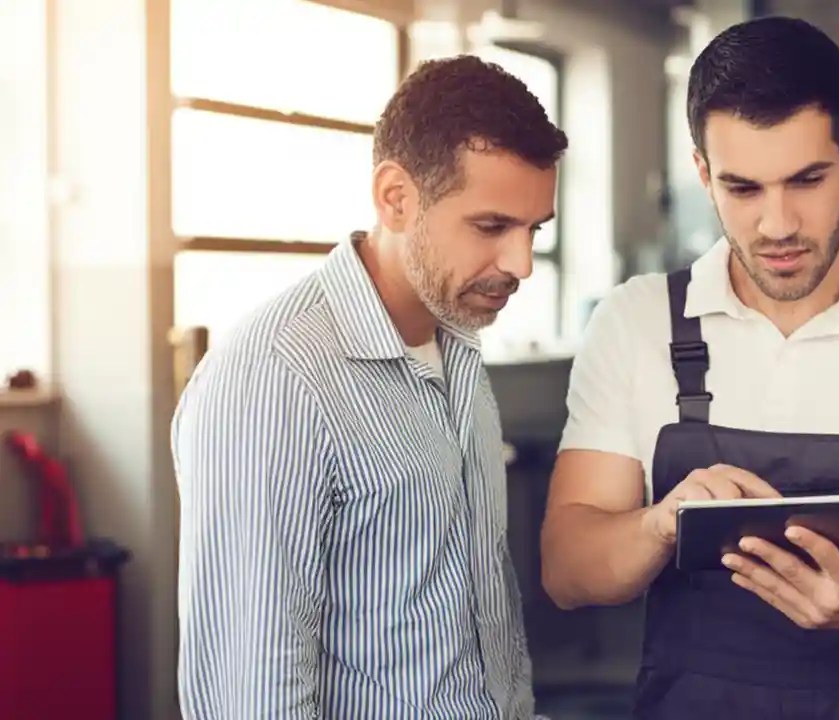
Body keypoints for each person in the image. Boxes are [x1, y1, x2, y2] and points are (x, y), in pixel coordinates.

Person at [540, 16, 839, 719]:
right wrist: (658, 524)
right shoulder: (636, 324)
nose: (777, 225)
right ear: (703, 174)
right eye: (743, 188)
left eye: (807, 180)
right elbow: (566, 572)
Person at [172, 55, 566, 719]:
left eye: (534, 230)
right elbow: (252, 692)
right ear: (395, 198)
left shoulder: (458, 345)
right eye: (492, 226)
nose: (521, 263)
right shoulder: (275, 378)